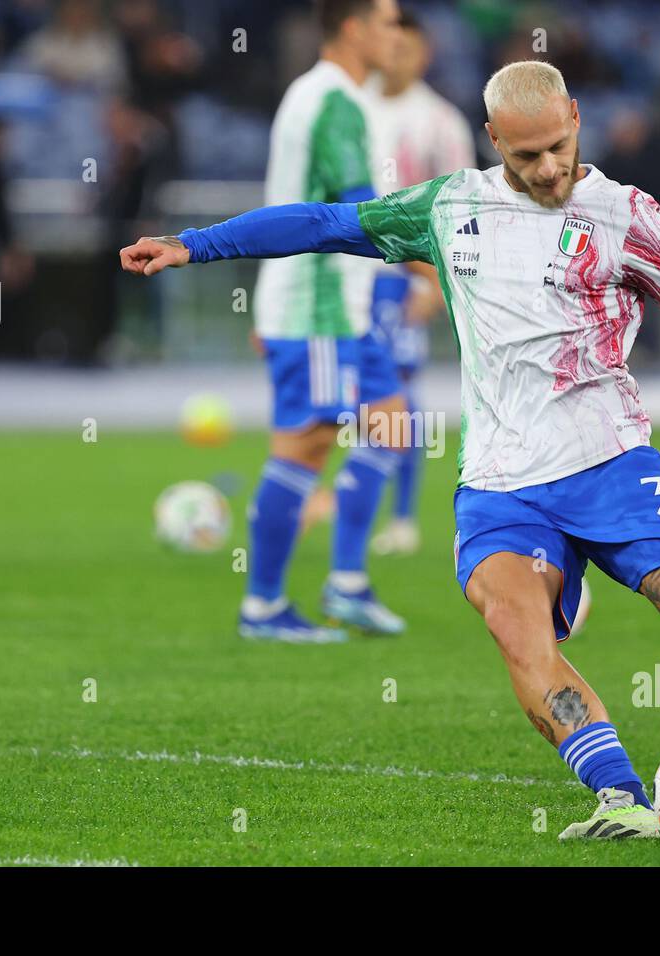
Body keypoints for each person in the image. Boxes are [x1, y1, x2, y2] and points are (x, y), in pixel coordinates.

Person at [121, 61, 660, 840]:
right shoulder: (450, 207)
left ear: (576, 117)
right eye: (524, 157)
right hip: (502, 484)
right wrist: (193, 246)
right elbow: (323, 224)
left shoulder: (627, 216)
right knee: (517, 629)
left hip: (610, 462)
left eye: (556, 149)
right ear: (491, 140)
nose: (546, 171)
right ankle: (621, 797)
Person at [236, 0, 407, 644]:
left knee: (389, 425)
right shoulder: (336, 100)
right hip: (317, 304)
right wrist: (431, 255)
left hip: (344, 304)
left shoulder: (323, 95)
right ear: (354, 27)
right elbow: (361, 208)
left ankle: (347, 583)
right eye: (389, 23)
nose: (398, 36)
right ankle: (264, 607)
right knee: (308, 444)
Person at [365, 9, 475, 556]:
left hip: (403, 274)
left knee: (397, 391)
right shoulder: (352, 105)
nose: (395, 55)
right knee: (355, 392)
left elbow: (459, 205)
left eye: (406, 47)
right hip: (347, 271)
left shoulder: (441, 120)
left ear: (424, 53)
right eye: (389, 44)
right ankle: (353, 500)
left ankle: (402, 516)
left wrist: (437, 281)